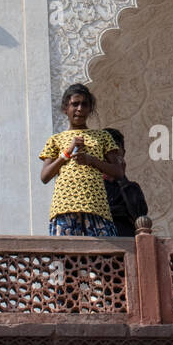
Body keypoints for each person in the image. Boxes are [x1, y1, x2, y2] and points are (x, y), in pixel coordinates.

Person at [39, 83, 123, 237]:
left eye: (84, 104)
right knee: (67, 257)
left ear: (90, 108)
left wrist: (91, 160)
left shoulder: (103, 137)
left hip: (97, 207)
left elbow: (118, 172)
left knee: (101, 257)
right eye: (75, 104)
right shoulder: (56, 140)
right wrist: (66, 153)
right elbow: (45, 176)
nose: (80, 109)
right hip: (65, 207)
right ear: (66, 108)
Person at [103, 128, 149, 238]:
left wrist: (121, 178)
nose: (112, 157)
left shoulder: (132, 188)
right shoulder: (93, 185)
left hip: (126, 244)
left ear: (123, 153)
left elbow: (139, 216)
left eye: (116, 151)